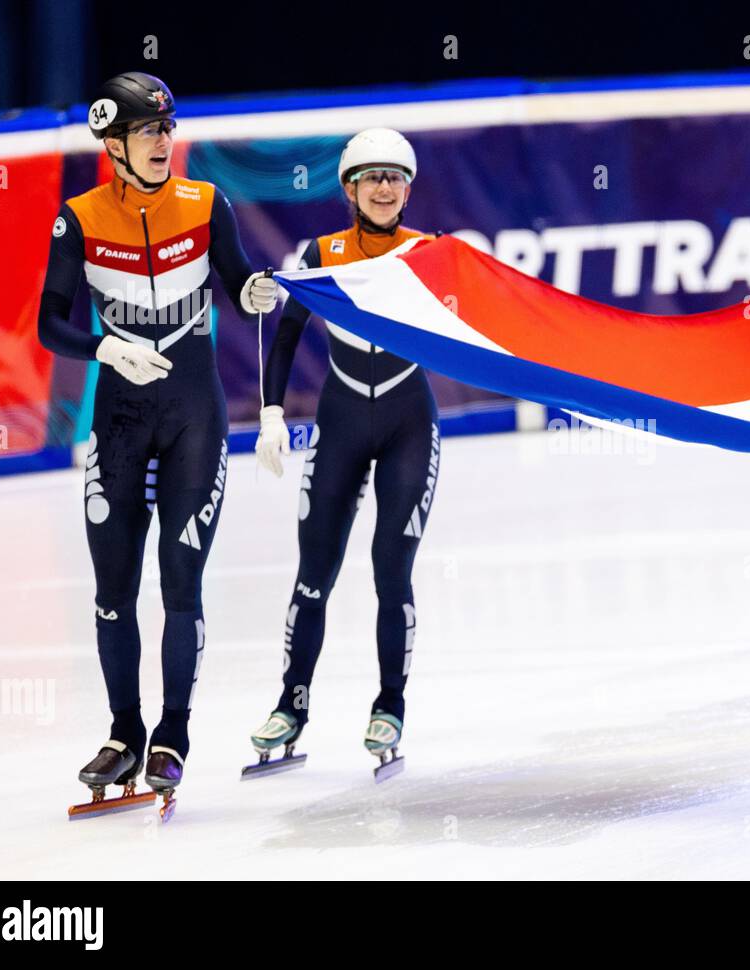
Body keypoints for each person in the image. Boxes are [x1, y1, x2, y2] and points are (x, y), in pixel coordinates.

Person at [38, 72, 277, 815]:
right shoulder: (78, 218)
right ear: (113, 146)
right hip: (118, 419)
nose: (163, 143)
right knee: (112, 593)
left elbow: (237, 284)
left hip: (193, 418)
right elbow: (51, 322)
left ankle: (172, 733)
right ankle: (123, 731)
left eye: (168, 129)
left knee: (180, 581)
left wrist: (251, 294)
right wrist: (105, 351)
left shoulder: (206, 203)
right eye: (148, 132)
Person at [245, 129, 440, 780]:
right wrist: (271, 412)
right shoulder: (320, 253)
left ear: (408, 188)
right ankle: (291, 705)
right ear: (350, 189)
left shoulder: (432, 256)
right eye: (370, 177)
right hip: (342, 420)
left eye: (395, 177)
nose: (384, 188)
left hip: (410, 421)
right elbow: (286, 334)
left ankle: (390, 704)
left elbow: (494, 324)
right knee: (314, 572)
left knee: (392, 569)